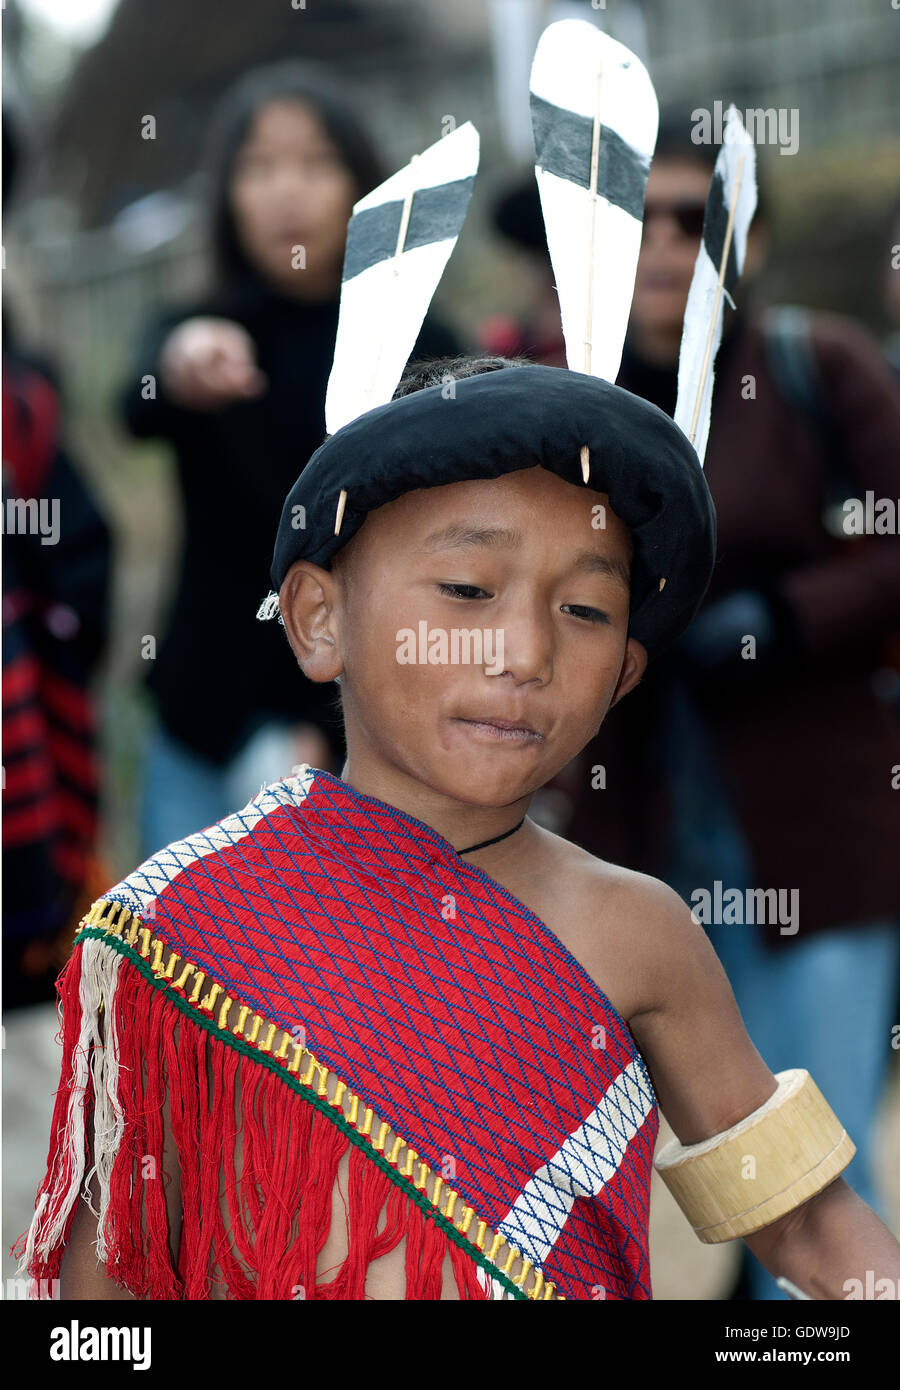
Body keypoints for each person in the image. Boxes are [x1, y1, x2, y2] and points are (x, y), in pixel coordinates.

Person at [14, 31, 900, 1302]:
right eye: (467, 590)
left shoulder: (637, 930)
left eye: (588, 614)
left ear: (629, 673)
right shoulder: (171, 931)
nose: (527, 652)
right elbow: (103, 1288)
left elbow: (814, 1232)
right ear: (315, 621)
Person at [564, 114, 900, 1300]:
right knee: (653, 1167)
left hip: (819, 827)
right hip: (636, 838)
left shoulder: (820, 368)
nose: (666, 245)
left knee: (808, 1163)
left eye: (695, 220)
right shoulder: (569, 408)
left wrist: (784, 617)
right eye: (638, 220)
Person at [121, 62, 460, 858]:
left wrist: (323, 724)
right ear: (227, 196)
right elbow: (134, 406)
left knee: (323, 980)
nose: (286, 191)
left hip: (360, 730)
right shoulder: (207, 327)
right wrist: (181, 360)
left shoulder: (419, 343)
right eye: (259, 167)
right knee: (163, 968)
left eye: (314, 163)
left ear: (360, 182)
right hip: (200, 723)